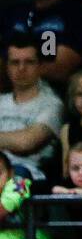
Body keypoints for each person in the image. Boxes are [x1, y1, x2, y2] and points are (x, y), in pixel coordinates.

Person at [0, 35, 64, 182]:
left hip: (28, 176)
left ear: (40, 66)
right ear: (7, 67)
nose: (21, 68)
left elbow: (25, 142)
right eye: (15, 62)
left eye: (29, 62)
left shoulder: (52, 104)